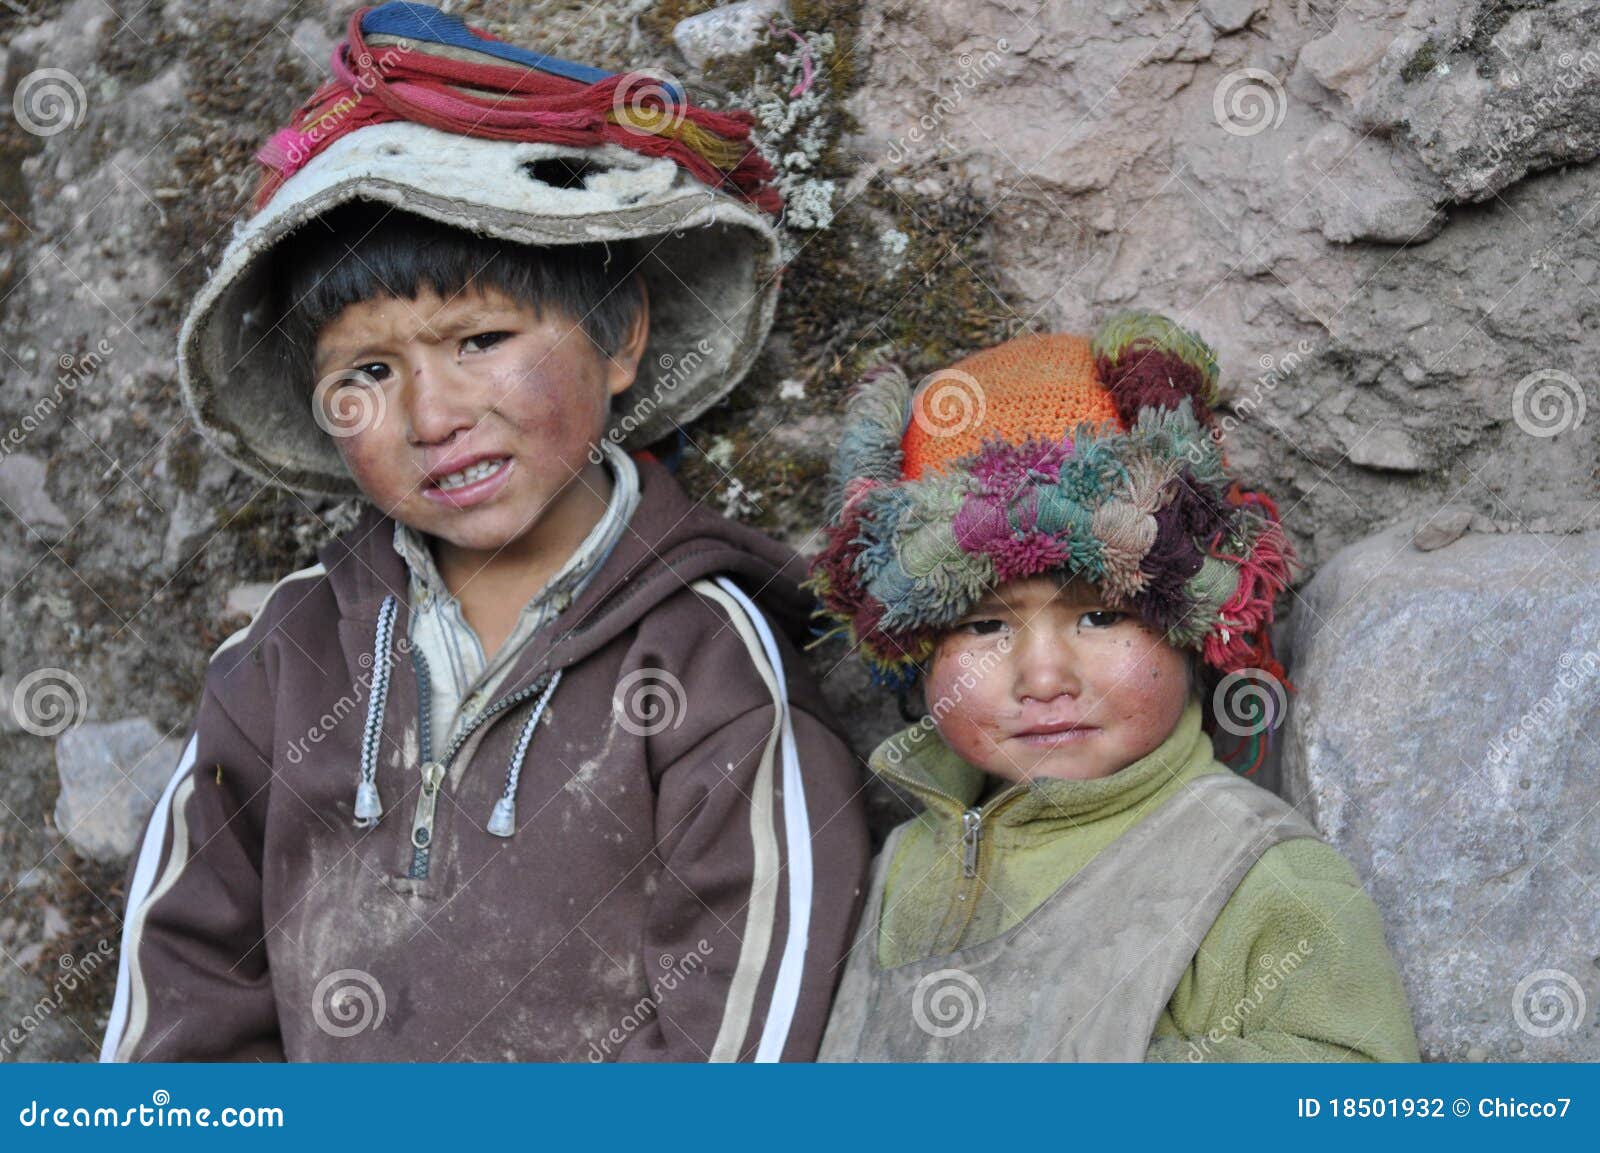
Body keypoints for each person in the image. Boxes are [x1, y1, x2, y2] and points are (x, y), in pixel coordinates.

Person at [101, 1, 868, 1062]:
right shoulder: (281, 663)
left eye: (481, 338)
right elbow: (181, 992)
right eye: (367, 372)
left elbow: (748, 1032)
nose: (431, 416)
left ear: (622, 336)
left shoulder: (705, 659)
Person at [805, 317, 1419, 1061]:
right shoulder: (904, 861)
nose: (1043, 678)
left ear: (1187, 626)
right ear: (916, 655)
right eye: (982, 628)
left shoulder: (1252, 868)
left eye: (1100, 615)